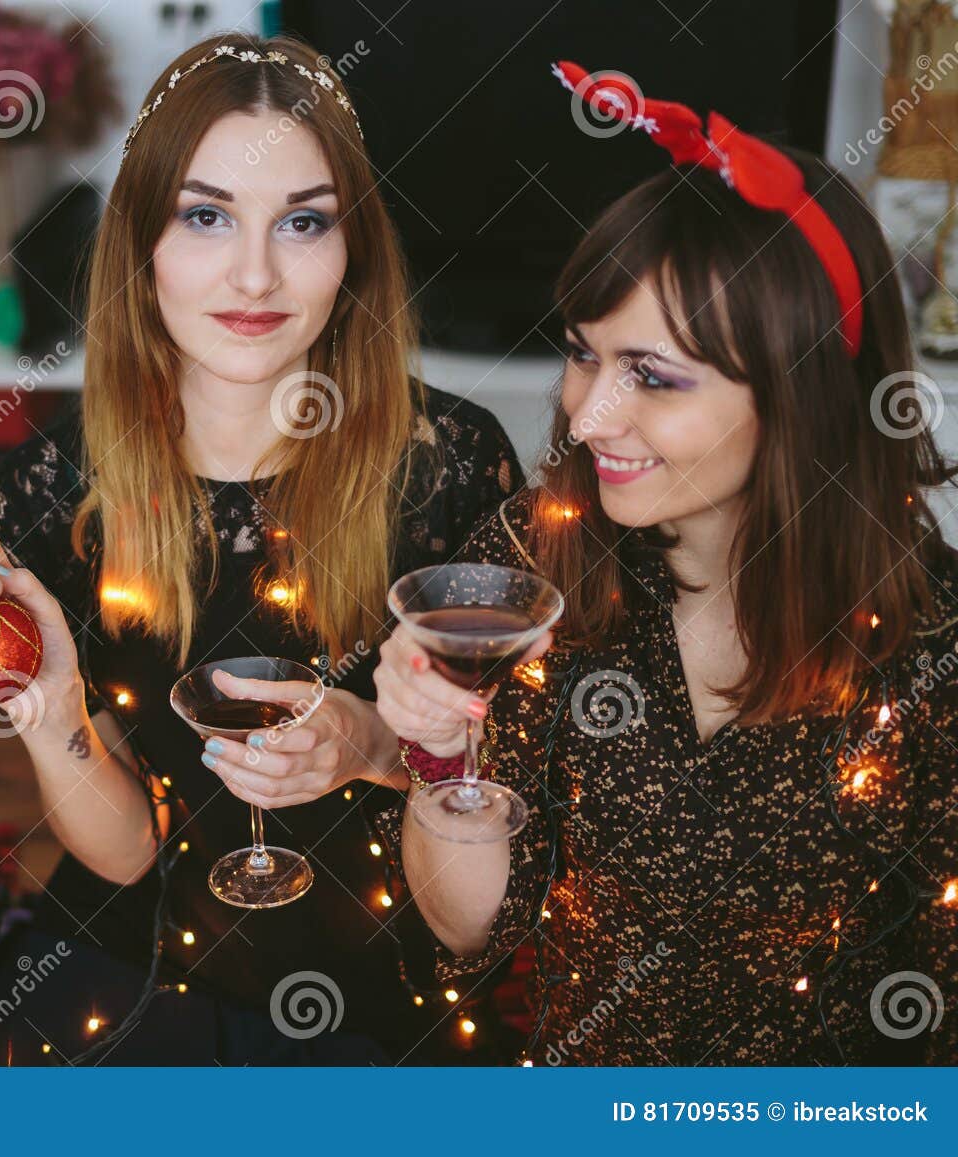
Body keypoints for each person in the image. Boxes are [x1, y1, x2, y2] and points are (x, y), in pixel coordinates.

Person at [0, 33, 522, 1064]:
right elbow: (122, 850)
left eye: (302, 221)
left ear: (352, 246)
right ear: (143, 239)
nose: (254, 272)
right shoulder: (55, 488)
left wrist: (371, 745)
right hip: (137, 960)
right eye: (205, 216)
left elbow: (488, 830)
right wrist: (56, 713)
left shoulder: (452, 466)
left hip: (386, 977)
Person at [376, 63, 958, 1065]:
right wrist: (435, 756)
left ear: (798, 395)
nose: (587, 413)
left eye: (652, 374)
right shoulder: (532, 559)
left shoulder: (930, 637)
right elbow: (468, 926)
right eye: (584, 352)